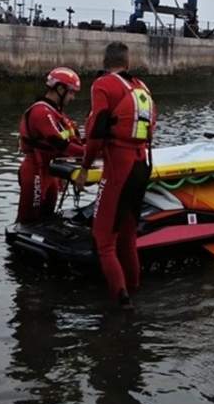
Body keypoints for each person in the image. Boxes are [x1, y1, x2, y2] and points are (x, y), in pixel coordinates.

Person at [75, 42, 156, 310]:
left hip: (118, 165)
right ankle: (134, 289)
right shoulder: (141, 87)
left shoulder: (103, 86)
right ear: (128, 63)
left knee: (104, 238)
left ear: (104, 61)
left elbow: (97, 129)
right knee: (128, 236)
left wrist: (86, 166)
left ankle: (120, 301)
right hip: (142, 163)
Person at [17, 67, 84, 224]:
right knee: (28, 221)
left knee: (47, 218)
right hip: (35, 171)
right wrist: (91, 153)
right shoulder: (41, 112)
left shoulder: (57, 114)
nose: (73, 97)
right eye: (71, 92)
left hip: (50, 171)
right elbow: (62, 145)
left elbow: (75, 143)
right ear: (60, 89)